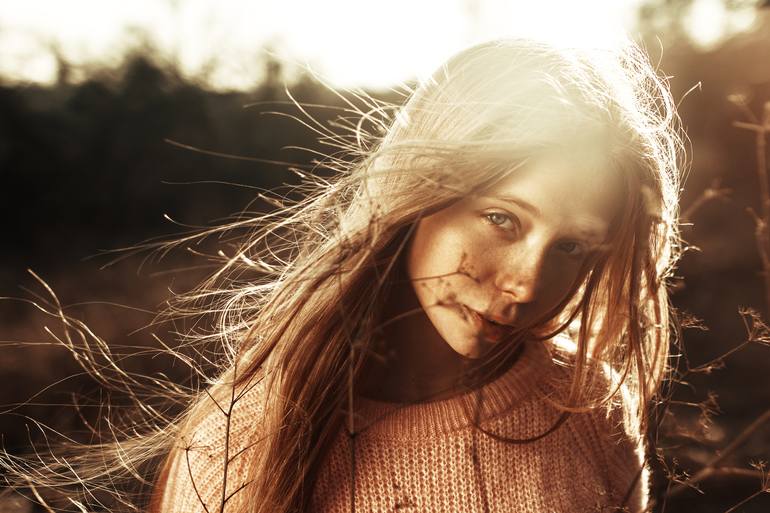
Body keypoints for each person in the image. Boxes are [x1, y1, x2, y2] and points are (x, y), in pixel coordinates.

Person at [5, 37, 683, 513]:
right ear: (421, 192)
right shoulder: (245, 437)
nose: (527, 283)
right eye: (502, 220)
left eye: (572, 248)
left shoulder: (588, 405)